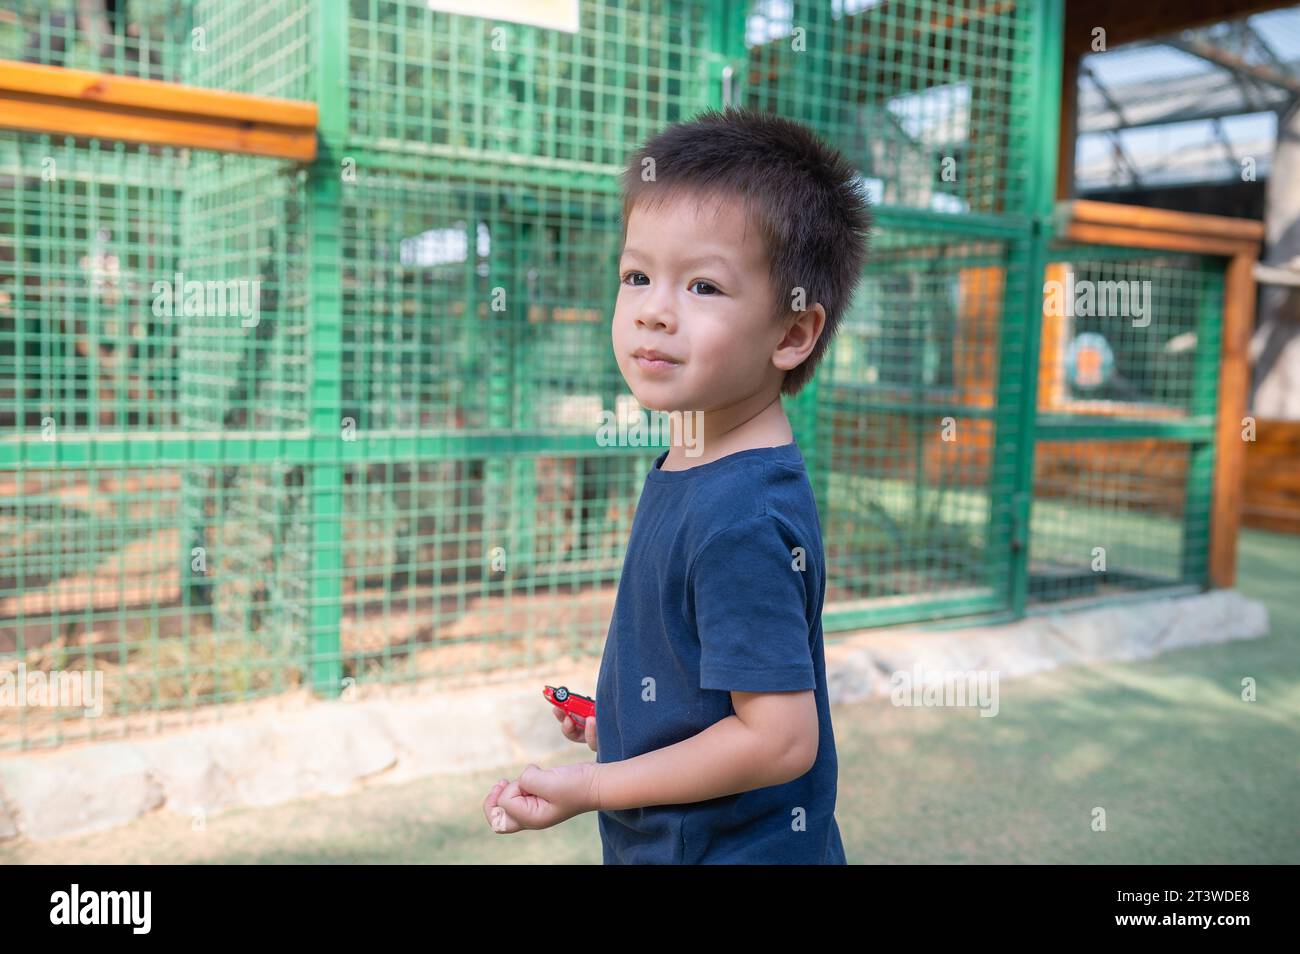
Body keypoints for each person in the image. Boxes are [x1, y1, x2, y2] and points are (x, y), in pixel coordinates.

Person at [483, 105, 872, 863]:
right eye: (637, 275)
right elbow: (717, 690)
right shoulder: (692, 462)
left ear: (792, 333)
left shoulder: (741, 516)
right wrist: (627, 723)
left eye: (702, 287)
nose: (654, 311)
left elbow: (780, 740)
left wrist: (596, 784)